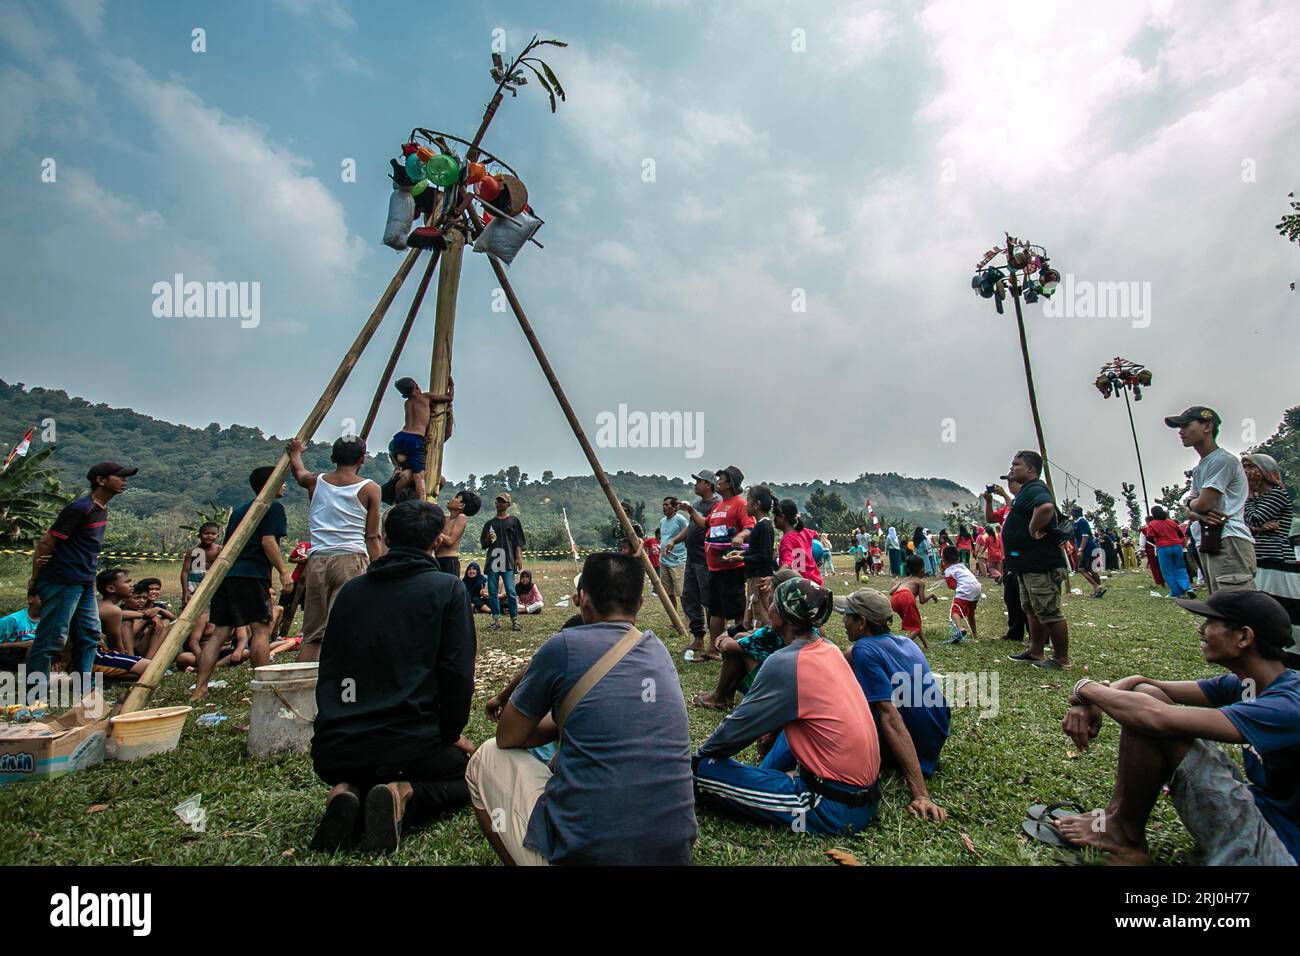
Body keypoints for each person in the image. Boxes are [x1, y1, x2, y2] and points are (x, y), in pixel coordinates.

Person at [467, 551, 697, 865]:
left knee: (486, 757)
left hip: (587, 854)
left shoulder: (562, 646)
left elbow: (508, 736)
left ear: (582, 599)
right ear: (641, 603)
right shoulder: (658, 651)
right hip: (673, 854)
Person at [1052, 589, 1299, 865]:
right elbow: (1142, 683)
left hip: (1281, 849)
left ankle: (1123, 833)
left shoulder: (1288, 706)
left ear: (1244, 636)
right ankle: (1117, 821)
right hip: (1263, 813)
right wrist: (1092, 699)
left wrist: (1086, 688)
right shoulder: (1250, 683)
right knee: (1145, 697)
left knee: (1148, 713)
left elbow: (1155, 716)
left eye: (1209, 624)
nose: (1200, 630)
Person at [309, 500, 476, 854]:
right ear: (437, 541)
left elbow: (331, 671)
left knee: (366, 764)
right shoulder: (447, 589)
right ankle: (404, 794)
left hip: (336, 749)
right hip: (412, 746)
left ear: (384, 537)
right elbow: (457, 673)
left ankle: (346, 790)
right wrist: (449, 734)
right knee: (473, 776)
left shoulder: (352, 591)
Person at [693, 577, 881, 835]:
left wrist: (700, 758)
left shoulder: (786, 663)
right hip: (865, 796)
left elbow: (734, 732)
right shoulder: (830, 649)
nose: (768, 606)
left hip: (831, 805)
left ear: (782, 616)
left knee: (700, 774)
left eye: (773, 603)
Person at [24, 462, 136, 697]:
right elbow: (47, 542)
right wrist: (36, 579)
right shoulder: (79, 508)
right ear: (101, 480)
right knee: (51, 638)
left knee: (89, 636)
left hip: (84, 581)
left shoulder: (101, 508)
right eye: (120, 477)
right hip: (63, 580)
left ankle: (85, 690)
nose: (124, 481)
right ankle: (35, 694)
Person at [837, 588, 948, 820]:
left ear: (861, 622)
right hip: (933, 742)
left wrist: (920, 794)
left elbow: (889, 715)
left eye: (847, 615)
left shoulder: (864, 650)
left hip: (912, 746)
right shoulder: (907, 643)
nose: (843, 621)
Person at [191, 467, 292, 701]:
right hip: (251, 574)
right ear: (271, 484)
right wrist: (284, 572)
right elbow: (268, 542)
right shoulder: (273, 507)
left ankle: (200, 688)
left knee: (219, 633)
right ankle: (264, 688)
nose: (285, 485)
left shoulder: (239, 511)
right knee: (261, 630)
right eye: (282, 481)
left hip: (227, 575)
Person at [288, 437, 382, 663]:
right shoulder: (370, 489)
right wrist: (379, 568)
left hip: (318, 559)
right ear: (362, 459)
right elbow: (372, 535)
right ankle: (344, 686)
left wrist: (295, 453)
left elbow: (299, 472)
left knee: (313, 634)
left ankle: (304, 689)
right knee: (347, 628)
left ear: (332, 458)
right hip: (351, 559)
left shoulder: (315, 482)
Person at [1167, 406, 1256, 594]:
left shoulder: (1222, 461)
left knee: (1234, 602)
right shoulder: (1201, 467)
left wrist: (1193, 507)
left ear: (1207, 426)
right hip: (1210, 538)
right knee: (1219, 602)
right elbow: (1191, 509)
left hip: (1228, 539)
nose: (1181, 431)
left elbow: (1202, 504)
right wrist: (1195, 510)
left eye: (1186, 425)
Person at [693, 568, 801, 711]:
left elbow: (728, 647)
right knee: (742, 639)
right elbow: (756, 632)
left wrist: (723, 641)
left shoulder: (775, 629)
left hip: (780, 693)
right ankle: (725, 696)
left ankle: (719, 697)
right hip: (799, 685)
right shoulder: (804, 622)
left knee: (739, 647)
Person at [1002, 450, 1071, 669]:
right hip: (1027, 565)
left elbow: (1046, 507)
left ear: (1031, 469)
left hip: (1041, 564)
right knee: (1032, 609)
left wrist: (1033, 528)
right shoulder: (1025, 491)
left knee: (1049, 611)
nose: (1012, 468)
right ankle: (1036, 651)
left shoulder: (1036, 488)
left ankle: (1061, 659)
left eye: (1016, 464)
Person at [1243, 454, 1300, 648]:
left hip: (1277, 558)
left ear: (1265, 470)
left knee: (1281, 605)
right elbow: (1246, 524)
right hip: (1259, 556)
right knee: (1263, 604)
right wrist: (1258, 527)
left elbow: (1254, 519)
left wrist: (1249, 500)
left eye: (1251, 467)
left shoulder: (1277, 493)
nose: (1246, 472)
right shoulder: (1256, 498)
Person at [671, 472, 721, 659]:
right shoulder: (699, 505)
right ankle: (698, 637)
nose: (695, 484)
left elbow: (708, 526)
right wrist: (674, 540)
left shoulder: (716, 505)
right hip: (692, 559)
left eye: (698, 481)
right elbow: (691, 528)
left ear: (708, 484)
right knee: (689, 597)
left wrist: (691, 510)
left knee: (708, 601)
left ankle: (713, 643)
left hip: (705, 560)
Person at [388, 376, 454, 503]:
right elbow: (448, 398)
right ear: (415, 388)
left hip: (401, 436)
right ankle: (421, 503)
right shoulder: (425, 397)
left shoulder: (407, 403)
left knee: (437, 479)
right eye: (417, 387)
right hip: (415, 439)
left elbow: (392, 450)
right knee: (418, 476)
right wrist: (452, 386)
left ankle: (397, 501)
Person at [94, 569, 166, 659]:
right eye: (127, 582)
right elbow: (116, 647)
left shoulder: (102, 604)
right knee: (144, 667)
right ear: (111, 589)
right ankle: (140, 662)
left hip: (98, 654)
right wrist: (130, 662)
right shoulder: (113, 610)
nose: (132, 585)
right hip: (100, 657)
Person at [480, 492, 526, 631]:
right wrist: (488, 539)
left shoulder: (513, 521)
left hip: (508, 560)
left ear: (508, 504)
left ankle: (514, 619)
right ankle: (496, 620)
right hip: (493, 560)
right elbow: (483, 544)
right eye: (498, 501)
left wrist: (518, 557)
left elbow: (518, 542)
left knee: (511, 592)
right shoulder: (489, 523)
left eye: (503, 501)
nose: (500, 503)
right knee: (493, 592)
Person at [735, 484, 775, 630]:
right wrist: (742, 554)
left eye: (748, 500)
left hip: (760, 578)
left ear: (757, 504)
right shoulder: (761, 525)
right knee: (753, 613)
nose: (746, 505)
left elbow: (764, 556)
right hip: (754, 578)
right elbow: (757, 551)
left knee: (761, 615)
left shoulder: (763, 527)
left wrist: (742, 559)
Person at [1143, 506, 1194, 598]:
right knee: (1181, 568)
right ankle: (1188, 587)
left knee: (1168, 571)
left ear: (1153, 514)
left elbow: (1149, 538)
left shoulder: (1152, 524)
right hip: (1177, 547)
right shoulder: (1172, 522)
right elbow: (1180, 534)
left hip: (1163, 548)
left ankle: (1176, 592)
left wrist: (1157, 543)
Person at [891, 555, 936, 649]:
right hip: (906, 597)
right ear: (922, 570)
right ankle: (901, 647)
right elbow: (922, 601)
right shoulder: (920, 582)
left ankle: (925, 645)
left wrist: (898, 583)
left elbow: (891, 592)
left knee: (916, 624)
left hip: (895, 600)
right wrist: (931, 595)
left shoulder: (904, 579)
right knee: (916, 627)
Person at [434, 488, 480, 577]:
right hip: (437, 559)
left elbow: (450, 541)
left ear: (461, 505)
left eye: (456, 498)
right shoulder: (445, 518)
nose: (451, 498)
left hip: (449, 561)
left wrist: (434, 531)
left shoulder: (461, 517)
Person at [657, 496, 689, 622]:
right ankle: (674, 619)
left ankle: (688, 620)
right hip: (664, 560)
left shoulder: (680, 520)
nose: (664, 507)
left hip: (678, 561)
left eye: (667, 505)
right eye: (663, 505)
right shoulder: (662, 521)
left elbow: (687, 533)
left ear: (675, 507)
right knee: (668, 593)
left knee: (682, 593)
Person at [775, 498, 821, 585]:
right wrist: (817, 556)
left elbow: (787, 563)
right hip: (816, 582)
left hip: (802, 587)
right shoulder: (806, 532)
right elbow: (816, 535)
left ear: (782, 517)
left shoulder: (786, 540)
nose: (774, 520)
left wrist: (774, 579)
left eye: (775, 516)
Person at [941, 545, 983, 640]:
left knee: (955, 611)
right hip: (977, 589)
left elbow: (952, 586)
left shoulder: (948, 571)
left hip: (965, 590)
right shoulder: (962, 567)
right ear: (958, 558)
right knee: (971, 613)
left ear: (943, 560)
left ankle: (960, 628)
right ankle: (974, 634)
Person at [1070, 506, 1107, 599]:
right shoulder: (1076, 522)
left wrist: (1080, 549)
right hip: (1088, 549)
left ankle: (1096, 586)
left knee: (1082, 569)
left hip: (1088, 549)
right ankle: (1098, 589)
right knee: (1090, 569)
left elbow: (1085, 536)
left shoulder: (1082, 522)